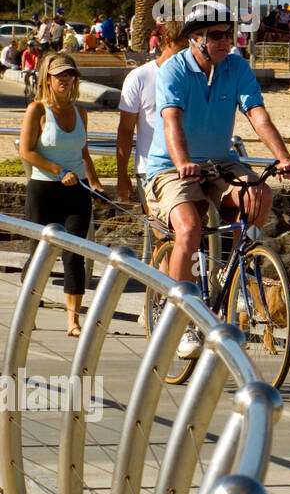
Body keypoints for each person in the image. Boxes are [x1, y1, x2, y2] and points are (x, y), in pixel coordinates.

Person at [142, 1, 290, 358]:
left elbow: (257, 115)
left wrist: (284, 157)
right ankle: (177, 316)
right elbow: (171, 122)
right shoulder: (174, 70)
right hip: (171, 165)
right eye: (216, 35)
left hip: (220, 160)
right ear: (195, 40)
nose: (225, 42)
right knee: (188, 228)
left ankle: (233, 276)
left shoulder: (236, 67)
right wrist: (183, 162)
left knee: (258, 195)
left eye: (229, 34)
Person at [18, 53, 104, 336]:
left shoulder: (81, 112)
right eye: (59, 75)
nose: (65, 79)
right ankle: (28, 312)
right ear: (48, 78)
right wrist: (58, 170)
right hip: (44, 190)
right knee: (39, 255)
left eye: (70, 74)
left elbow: (84, 153)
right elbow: (26, 152)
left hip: (76, 191)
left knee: (74, 255)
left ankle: (73, 321)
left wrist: (95, 183)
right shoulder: (37, 110)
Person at [116, 19, 186, 204]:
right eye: (183, 48)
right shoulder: (139, 77)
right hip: (150, 170)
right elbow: (125, 131)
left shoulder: (193, 76)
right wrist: (122, 177)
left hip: (187, 168)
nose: (187, 55)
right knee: (158, 231)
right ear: (168, 42)